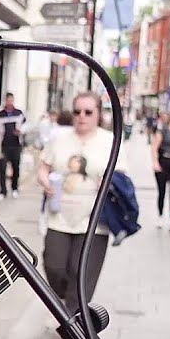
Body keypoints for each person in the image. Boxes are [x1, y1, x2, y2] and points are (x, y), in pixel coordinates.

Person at [36, 92, 128, 317]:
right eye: (77, 111)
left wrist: (109, 182)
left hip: (95, 218)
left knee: (81, 272)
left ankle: (73, 320)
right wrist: (45, 182)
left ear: (98, 114)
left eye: (88, 112)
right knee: (54, 265)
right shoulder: (60, 138)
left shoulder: (110, 141)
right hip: (60, 214)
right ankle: (64, 299)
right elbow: (43, 167)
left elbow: (122, 177)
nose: (82, 116)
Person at [0, 92, 26, 200]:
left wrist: (21, 131)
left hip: (16, 145)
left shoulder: (19, 113)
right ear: (5, 100)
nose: (9, 102)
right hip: (3, 146)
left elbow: (25, 126)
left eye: (11, 100)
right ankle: (2, 191)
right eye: (8, 100)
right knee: (2, 168)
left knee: (16, 167)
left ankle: (14, 188)